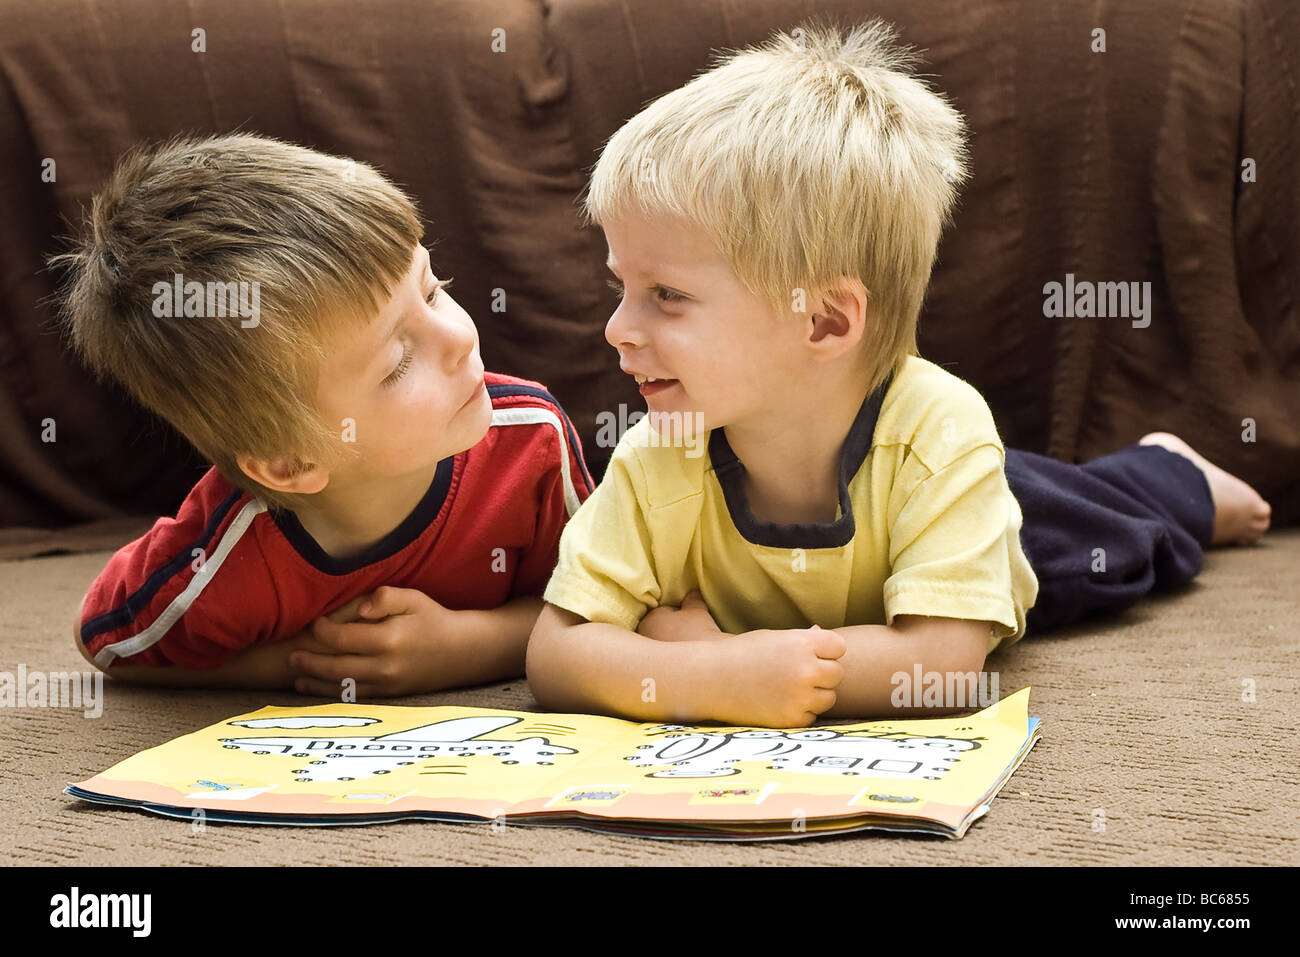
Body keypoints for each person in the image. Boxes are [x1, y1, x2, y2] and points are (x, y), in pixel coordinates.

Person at [526, 21, 1271, 728]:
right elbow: (556, 649)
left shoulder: (942, 432)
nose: (617, 329)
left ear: (823, 321)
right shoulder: (661, 450)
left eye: (667, 296)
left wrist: (714, 658)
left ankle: (1175, 473)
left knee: (1114, 536)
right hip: (885, 539)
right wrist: (717, 681)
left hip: (999, 515)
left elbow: (944, 667)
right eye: (620, 286)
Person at [56, 133, 592, 696]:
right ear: (290, 463)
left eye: (432, 291)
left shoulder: (533, 436)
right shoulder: (229, 553)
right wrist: (301, 662)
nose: (459, 337)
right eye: (396, 362)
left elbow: (616, 606)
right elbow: (104, 641)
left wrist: (474, 646)